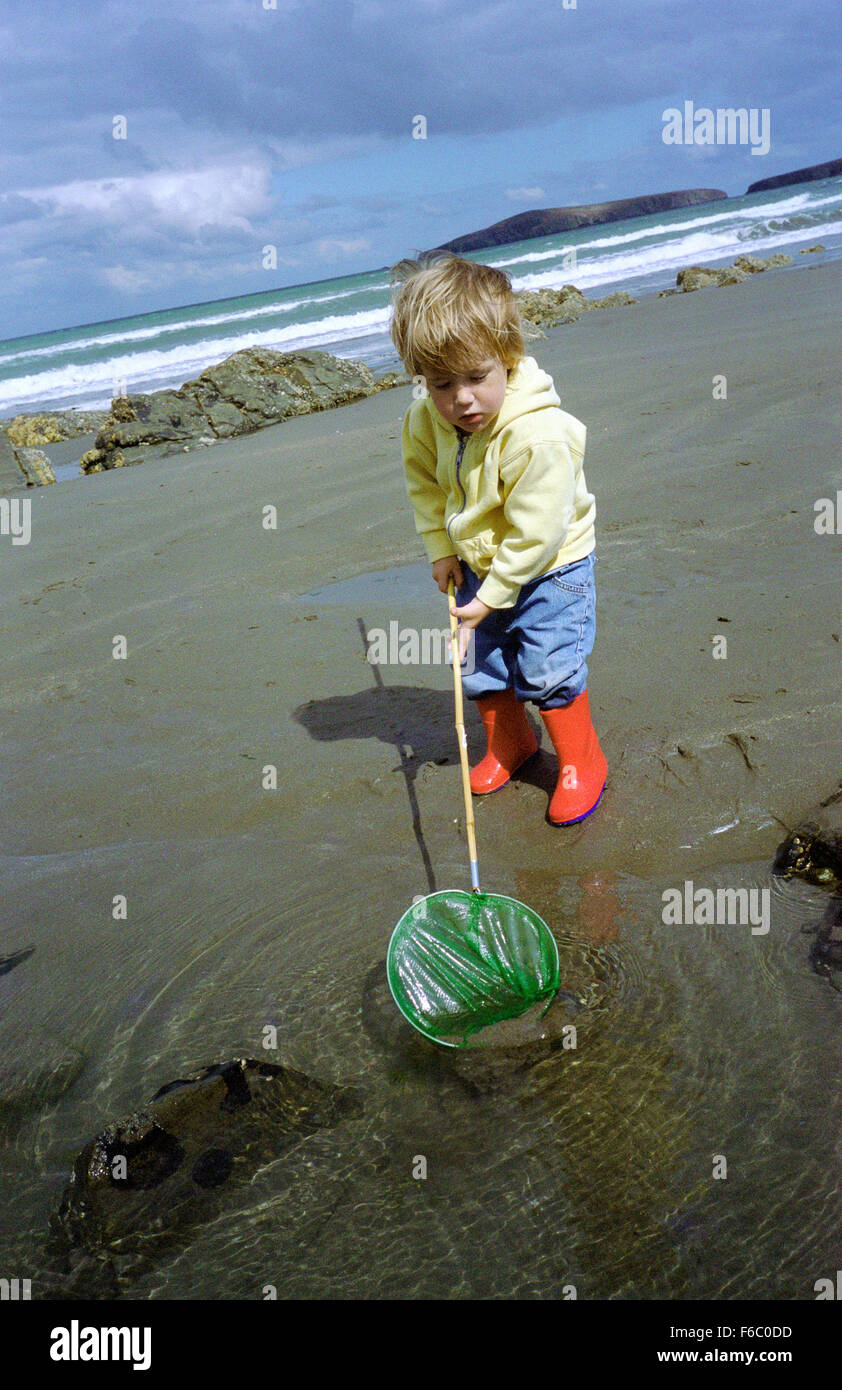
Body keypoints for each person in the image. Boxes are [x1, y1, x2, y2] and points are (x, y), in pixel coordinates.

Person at [388, 252, 607, 826]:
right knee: (479, 663)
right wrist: (441, 549)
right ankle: (510, 743)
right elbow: (426, 488)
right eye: (441, 384)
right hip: (477, 563)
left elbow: (539, 529)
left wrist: (492, 595)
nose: (461, 400)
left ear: (507, 358)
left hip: (550, 569)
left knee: (548, 667)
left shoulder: (539, 435)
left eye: (477, 378)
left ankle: (581, 760)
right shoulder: (425, 420)